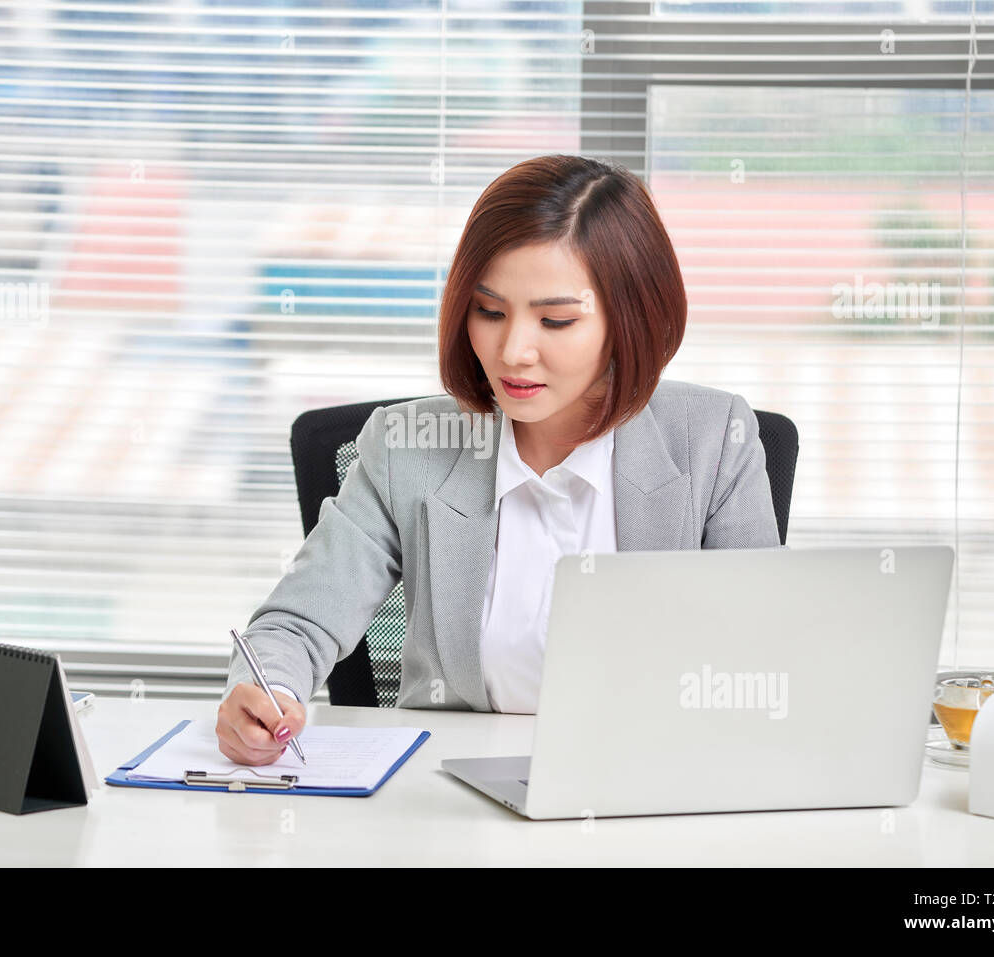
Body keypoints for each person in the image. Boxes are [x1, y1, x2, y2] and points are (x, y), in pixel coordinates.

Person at [215, 154, 780, 765]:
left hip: (652, 784)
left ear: (631, 319)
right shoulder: (407, 445)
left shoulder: (712, 439)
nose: (513, 351)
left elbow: (761, 659)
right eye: (489, 312)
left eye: (555, 320)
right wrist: (267, 689)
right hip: (449, 799)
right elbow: (296, 625)